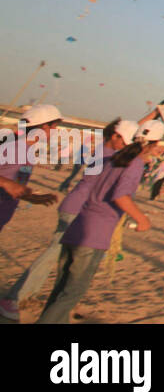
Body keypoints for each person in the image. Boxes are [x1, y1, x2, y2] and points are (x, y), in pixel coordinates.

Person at [1, 117, 136, 321]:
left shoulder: (108, 150)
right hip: (78, 209)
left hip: (77, 207)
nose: (54, 130)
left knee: (61, 262)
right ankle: (14, 298)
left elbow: (128, 136)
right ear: (115, 136)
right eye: (51, 126)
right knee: (54, 258)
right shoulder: (106, 152)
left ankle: (47, 309)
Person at [37, 120, 164, 324]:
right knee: (72, 293)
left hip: (77, 225)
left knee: (61, 289)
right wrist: (142, 219)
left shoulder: (111, 158)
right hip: (94, 234)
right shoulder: (134, 163)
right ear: (155, 143)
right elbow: (121, 196)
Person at [0, 104, 63, 236]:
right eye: (54, 127)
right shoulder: (14, 147)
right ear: (44, 127)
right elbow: (8, 183)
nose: (55, 131)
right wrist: (6, 183)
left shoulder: (28, 151)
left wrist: (30, 197)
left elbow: (13, 184)